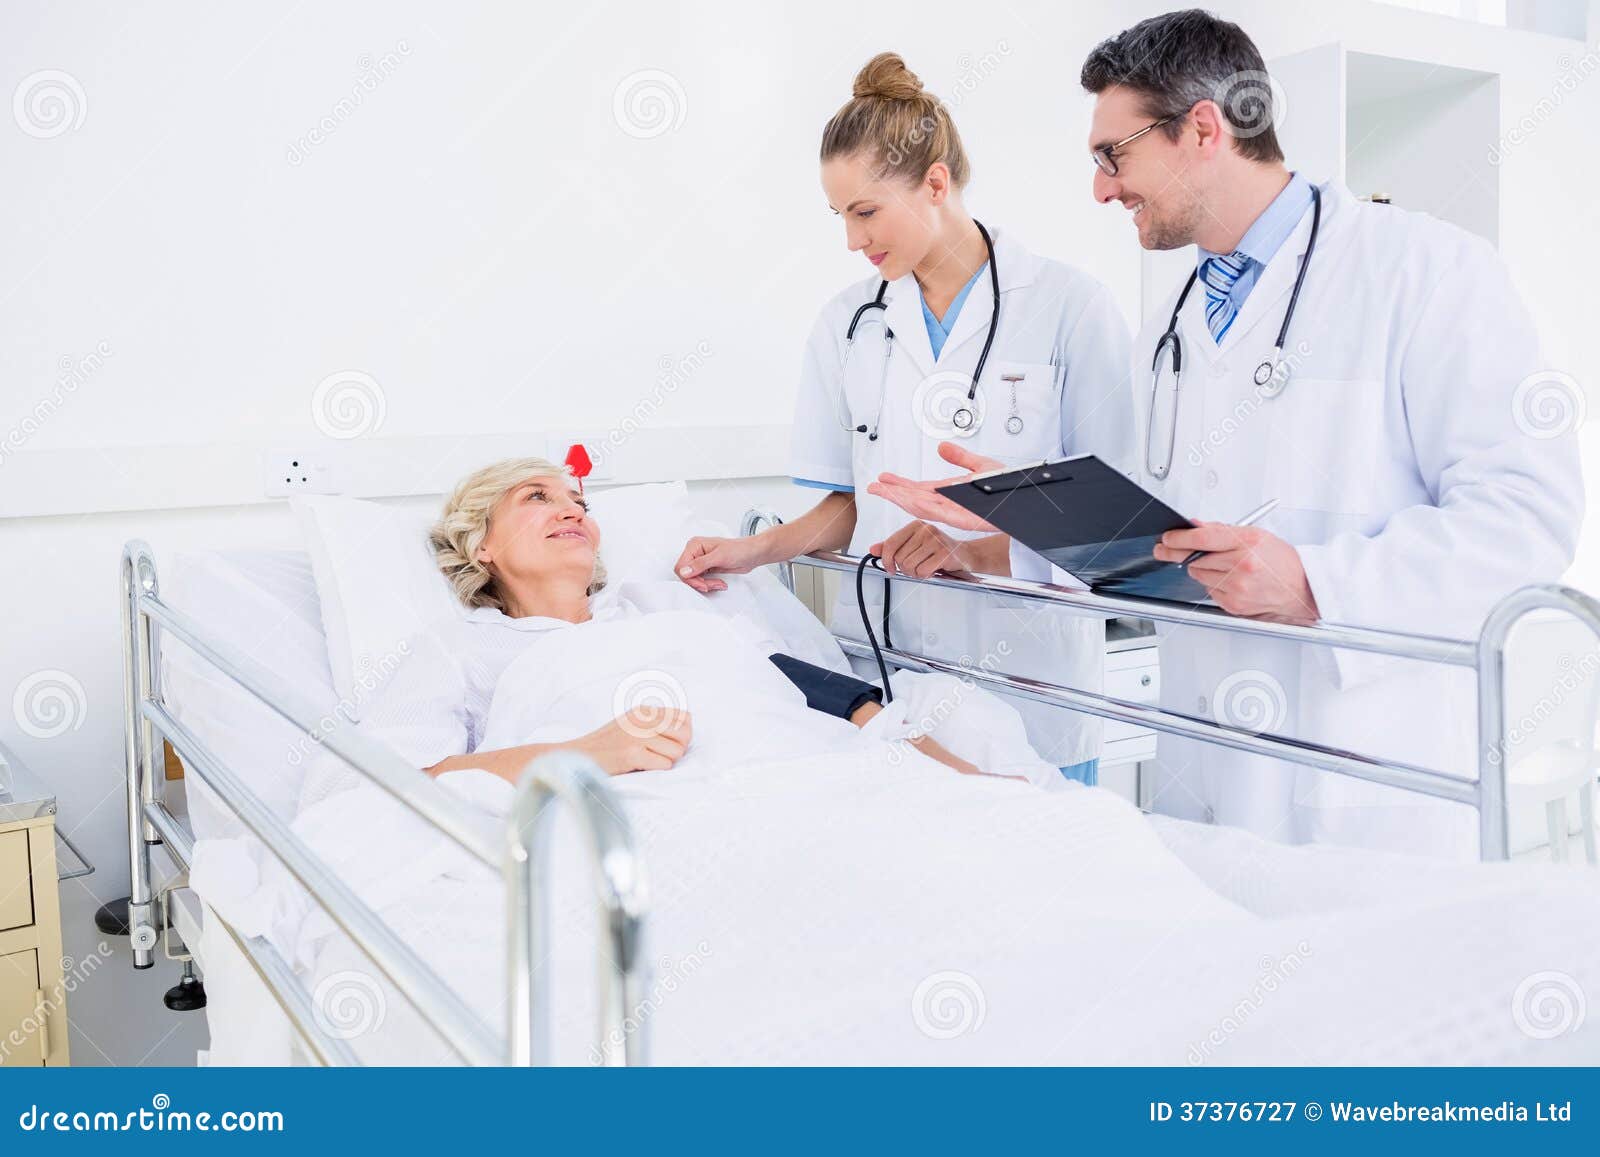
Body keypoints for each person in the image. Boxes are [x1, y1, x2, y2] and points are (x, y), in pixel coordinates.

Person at [870, 11, 1583, 857]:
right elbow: (1171, 538)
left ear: (1203, 129)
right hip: (1208, 764)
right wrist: (1026, 516)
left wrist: (1317, 581)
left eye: (1114, 155)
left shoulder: (1427, 271)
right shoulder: (1175, 318)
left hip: (1362, 773)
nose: (1102, 188)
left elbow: (1527, 519)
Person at [672, 51, 1134, 784]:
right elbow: (843, 509)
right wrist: (754, 552)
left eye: (865, 212)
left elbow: (1115, 525)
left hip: (1036, 685)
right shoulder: (847, 324)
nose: (853, 240)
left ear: (936, 182)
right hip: (887, 682)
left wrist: (975, 553)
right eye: (840, 217)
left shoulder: (1071, 308)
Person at [356, 456, 981, 781]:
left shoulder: (657, 605)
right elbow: (404, 779)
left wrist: (944, 770)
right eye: (537, 498)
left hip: (791, 773)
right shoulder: (459, 648)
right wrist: (583, 753)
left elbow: (801, 688)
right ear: (481, 545)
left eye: (579, 501)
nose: (572, 510)